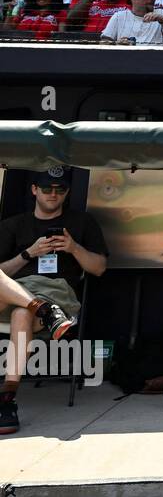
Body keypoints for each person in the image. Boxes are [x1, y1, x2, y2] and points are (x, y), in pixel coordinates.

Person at [0, 166, 106, 435]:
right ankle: (44, 310)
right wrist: (28, 254)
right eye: (46, 188)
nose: (53, 194)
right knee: (17, 299)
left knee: (21, 314)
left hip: (56, 291)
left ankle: (7, 398)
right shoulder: (14, 224)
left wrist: (73, 248)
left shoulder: (81, 223)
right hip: (15, 291)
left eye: (60, 189)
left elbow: (98, 268)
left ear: (67, 192)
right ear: (34, 190)